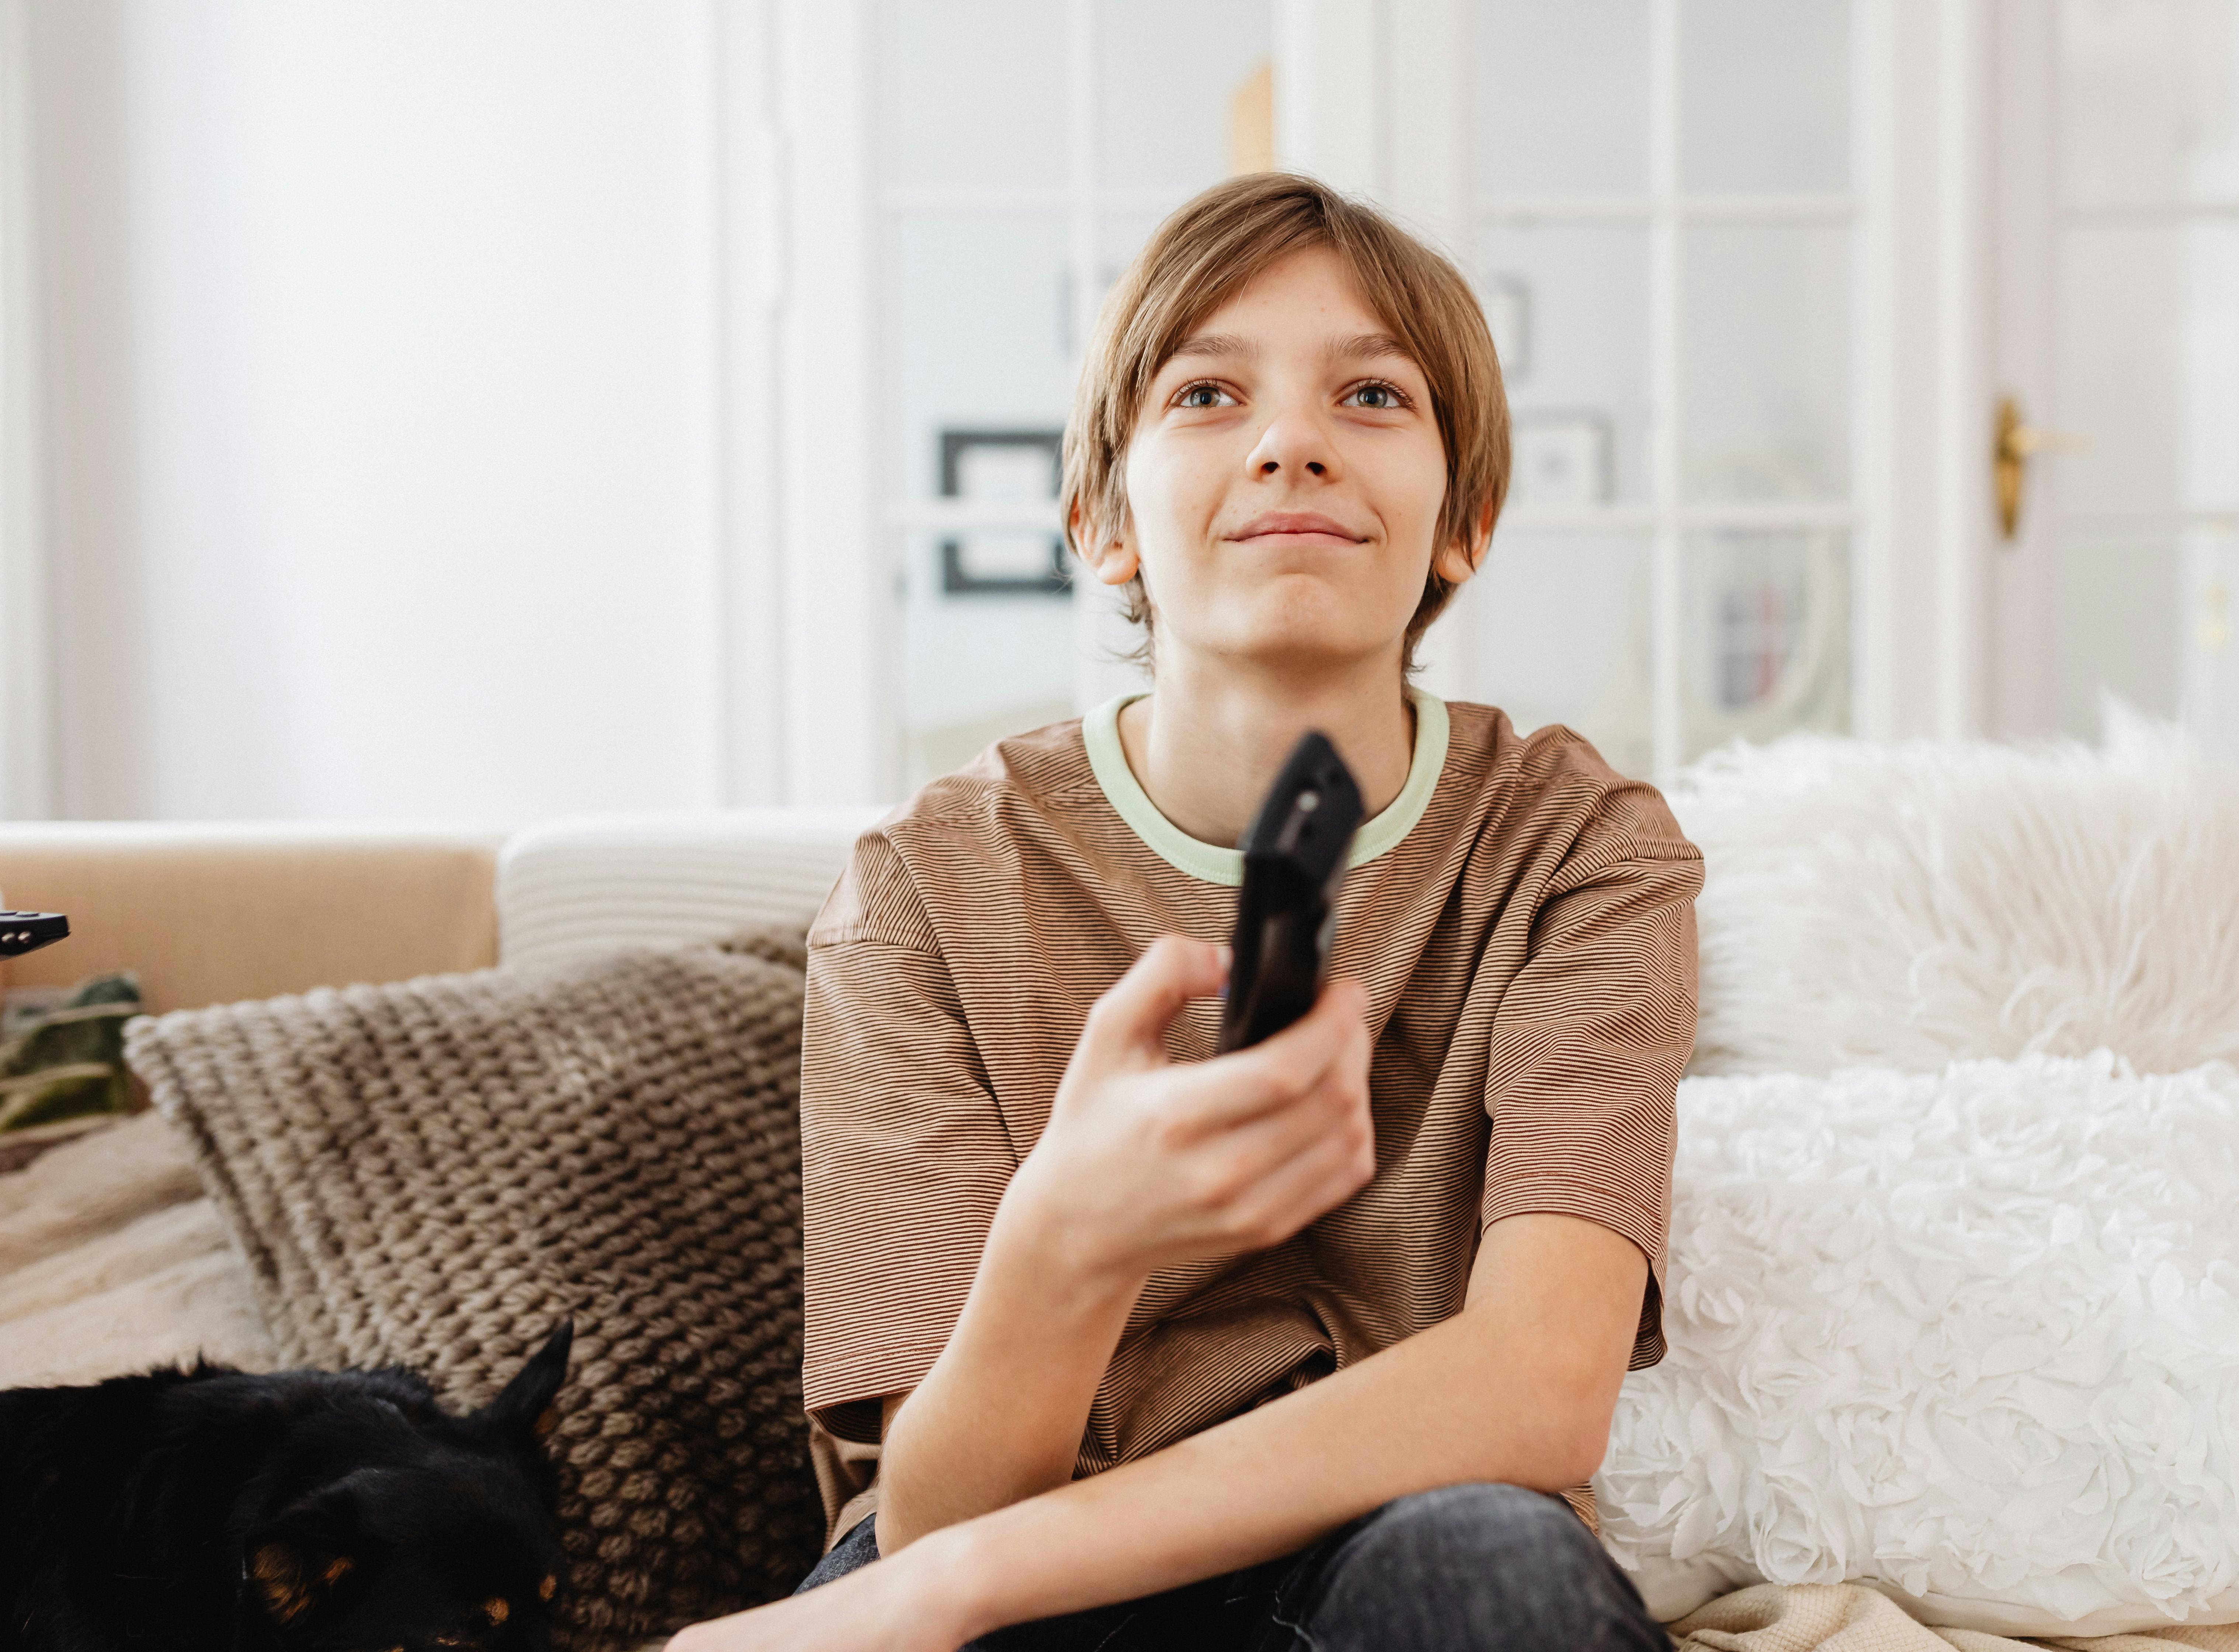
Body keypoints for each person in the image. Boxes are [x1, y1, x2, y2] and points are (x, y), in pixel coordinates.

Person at [672, 173, 1701, 1652]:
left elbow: (1543, 1384)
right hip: (1012, 1540)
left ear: (1463, 520)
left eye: (1373, 396)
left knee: (1503, 1576)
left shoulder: (1580, 851)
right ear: (1103, 523)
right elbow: (943, 1514)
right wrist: (1067, 1246)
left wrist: (954, 1586)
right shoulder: (925, 889)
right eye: (1209, 392)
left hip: (1389, 1538)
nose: (1293, 441)